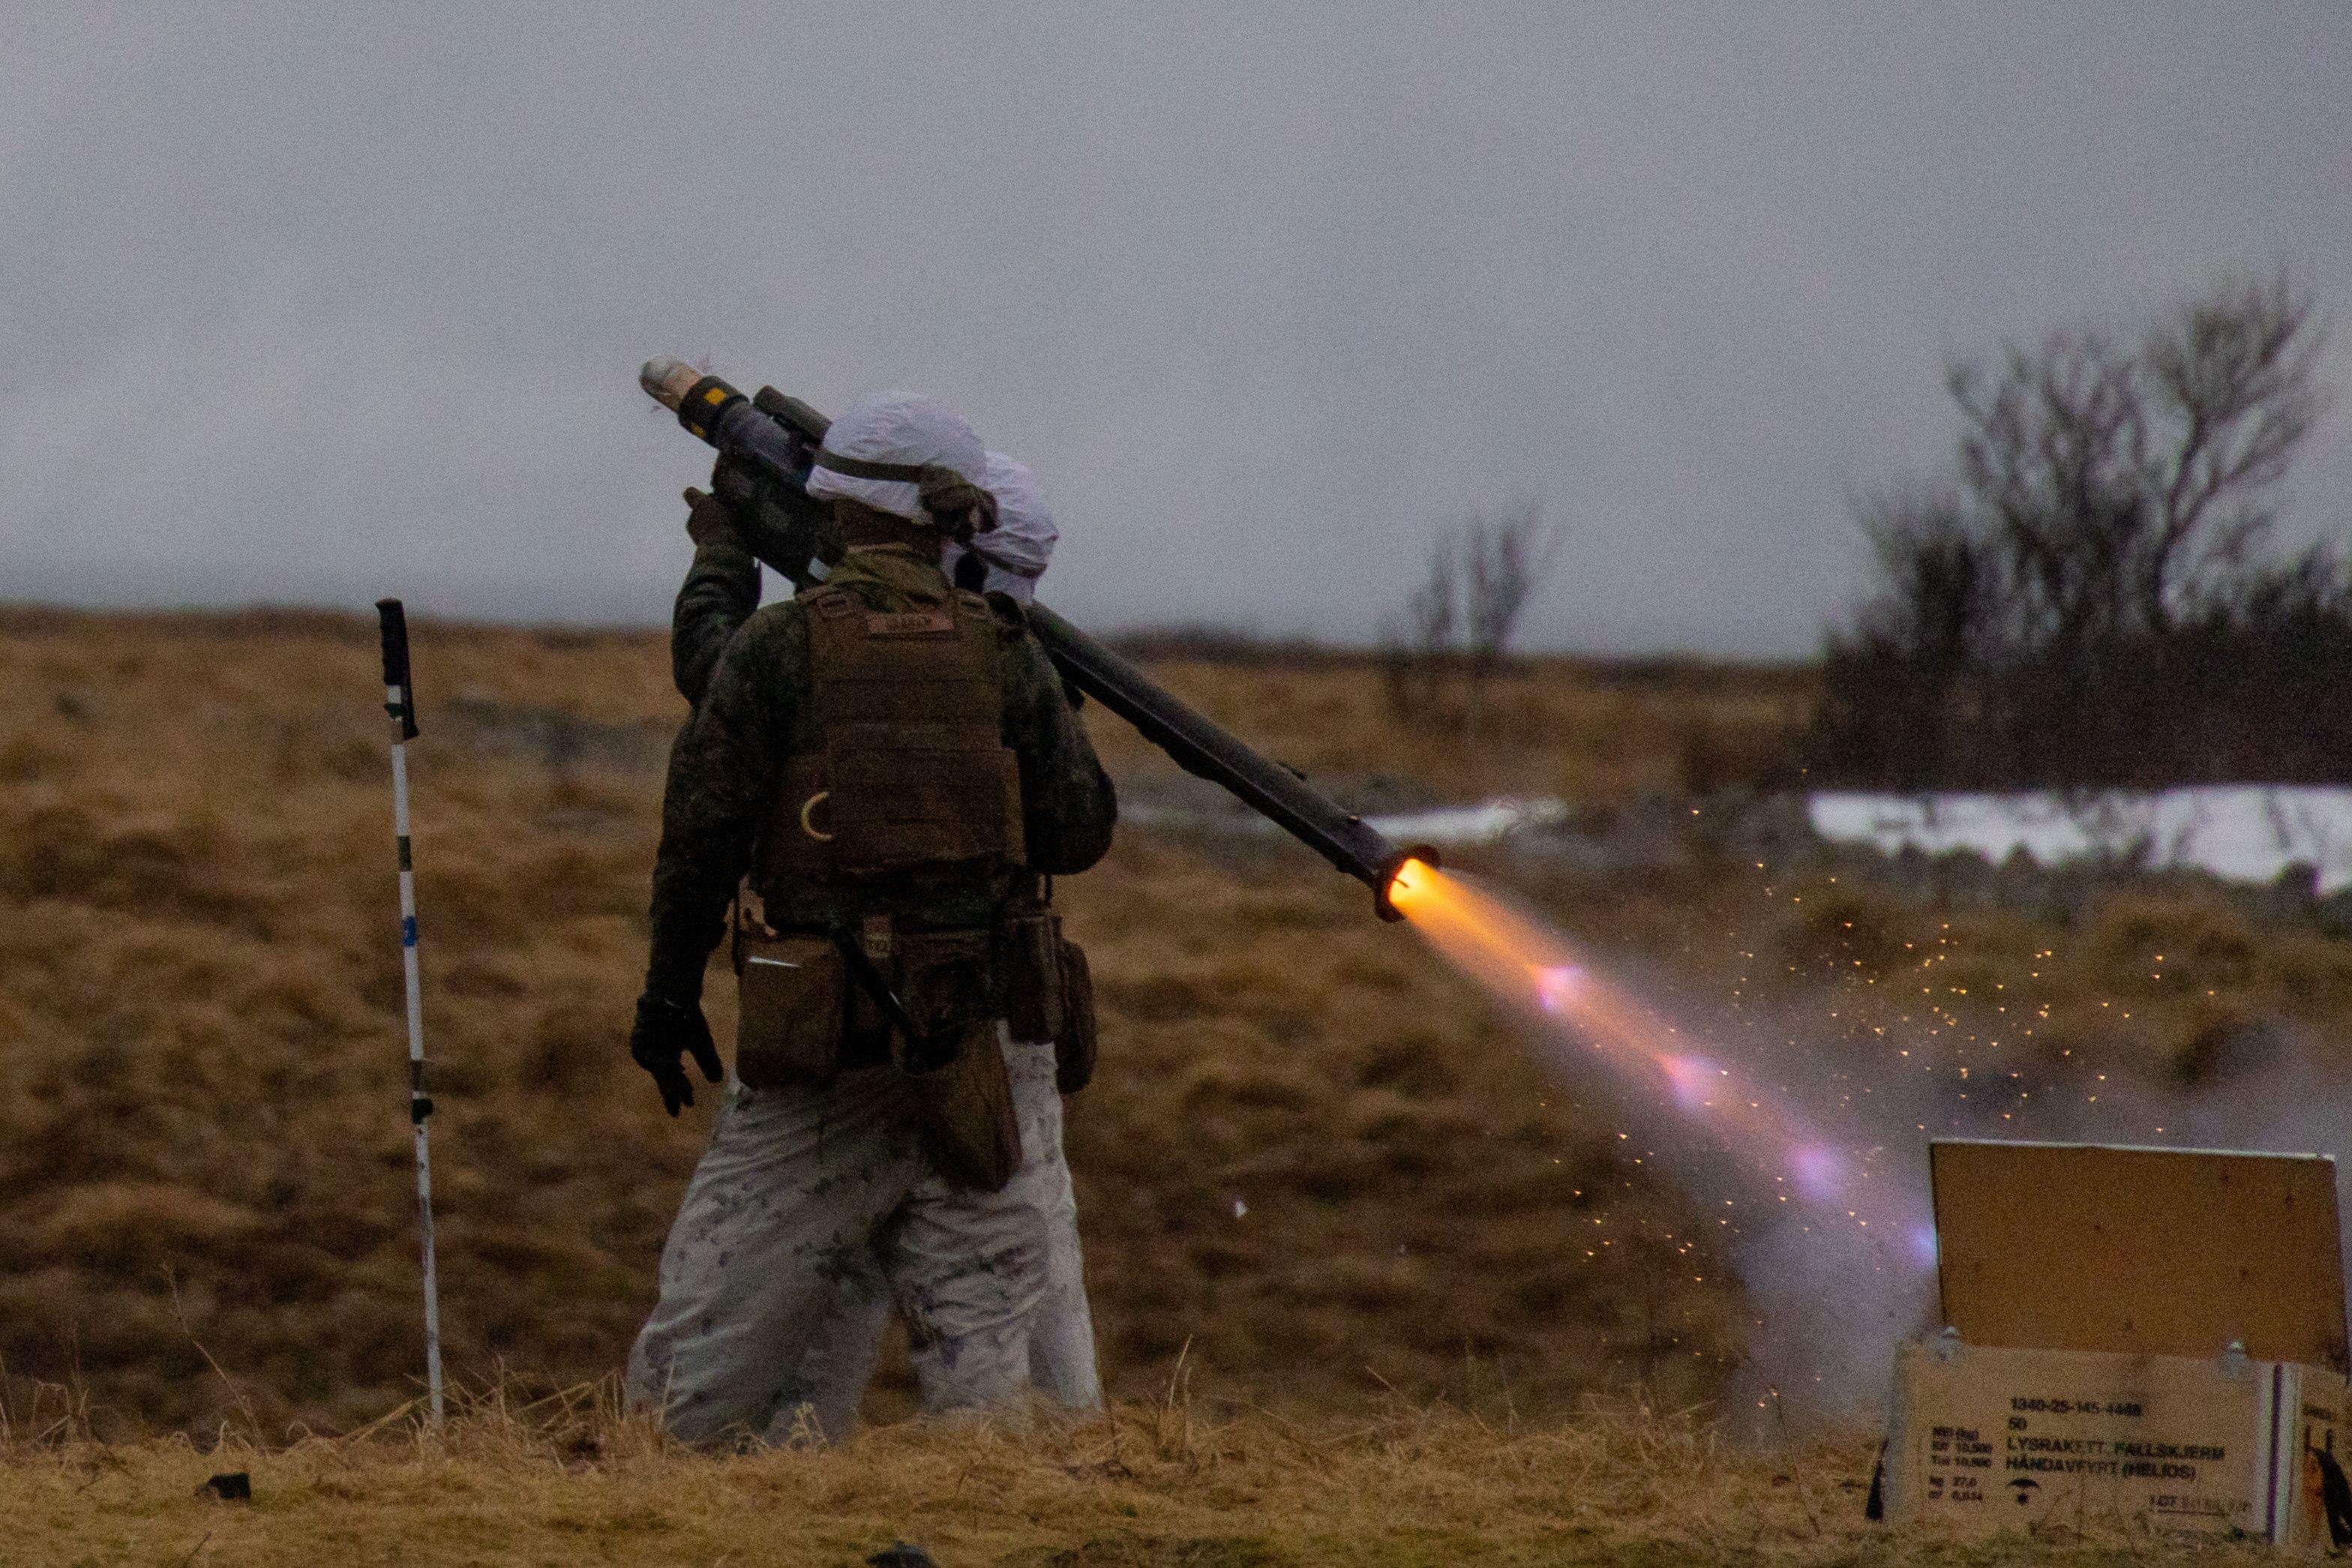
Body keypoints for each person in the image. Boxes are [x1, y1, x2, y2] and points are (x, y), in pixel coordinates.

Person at [626, 391, 1116, 1444]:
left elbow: (700, 836)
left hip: (819, 1066)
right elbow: (1080, 829)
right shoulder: (1005, 652)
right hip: (978, 1065)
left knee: (687, 1394)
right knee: (999, 1413)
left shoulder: (776, 649)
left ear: (837, 509)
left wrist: (667, 997)